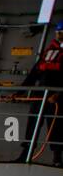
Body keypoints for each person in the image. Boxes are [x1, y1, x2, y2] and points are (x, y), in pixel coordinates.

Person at [19, 20, 63, 166]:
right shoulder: (50, 51)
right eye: (58, 32)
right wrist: (20, 92)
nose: (58, 35)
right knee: (33, 122)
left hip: (55, 97)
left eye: (61, 32)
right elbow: (35, 72)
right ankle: (26, 153)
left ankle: (57, 157)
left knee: (55, 126)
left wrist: (59, 95)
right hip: (40, 93)